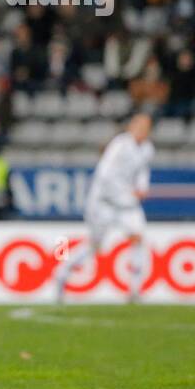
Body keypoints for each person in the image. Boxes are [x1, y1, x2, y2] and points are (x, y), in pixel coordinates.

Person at [52, 113, 155, 303]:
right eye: (139, 126)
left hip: (127, 206)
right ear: (131, 127)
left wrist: (142, 188)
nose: (143, 131)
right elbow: (104, 174)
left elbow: (142, 171)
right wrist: (126, 192)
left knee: (138, 238)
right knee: (95, 246)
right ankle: (62, 273)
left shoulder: (147, 149)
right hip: (103, 203)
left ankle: (134, 291)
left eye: (146, 127)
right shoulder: (120, 145)